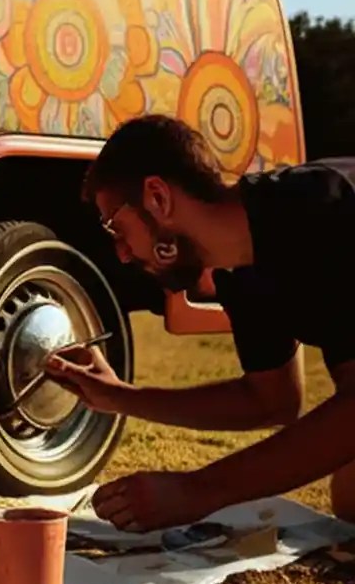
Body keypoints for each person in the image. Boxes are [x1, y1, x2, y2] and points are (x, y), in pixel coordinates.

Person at [45, 114, 355, 533]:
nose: (122, 253)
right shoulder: (240, 270)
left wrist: (198, 490)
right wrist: (118, 397)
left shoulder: (326, 206)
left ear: (158, 197)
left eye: (117, 227)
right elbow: (272, 401)